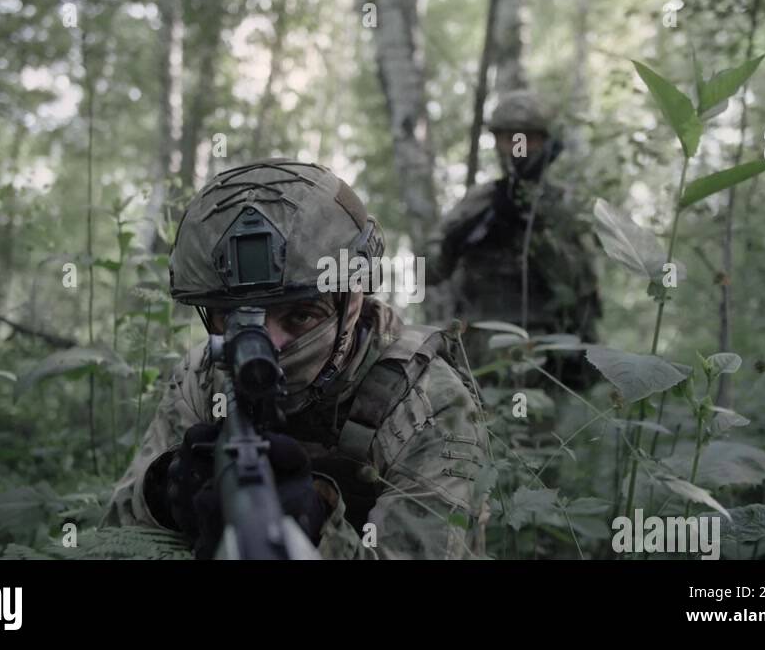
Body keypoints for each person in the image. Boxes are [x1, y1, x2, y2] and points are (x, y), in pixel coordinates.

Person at [103, 158, 490, 559]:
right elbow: (113, 539)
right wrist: (163, 494)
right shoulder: (202, 378)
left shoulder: (426, 403)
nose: (269, 343)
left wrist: (319, 533)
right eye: (235, 318)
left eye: (301, 315)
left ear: (353, 299)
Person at [425, 90, 601, 389]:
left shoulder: (565, 206)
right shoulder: (478, 200)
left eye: (527, 138)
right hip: (478, 354)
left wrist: (537, 229)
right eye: (510, 138)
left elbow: (580, 287)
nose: (518, 148)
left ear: (545, 142)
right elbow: (429, 271)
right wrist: (460, 238)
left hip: (544, 358)